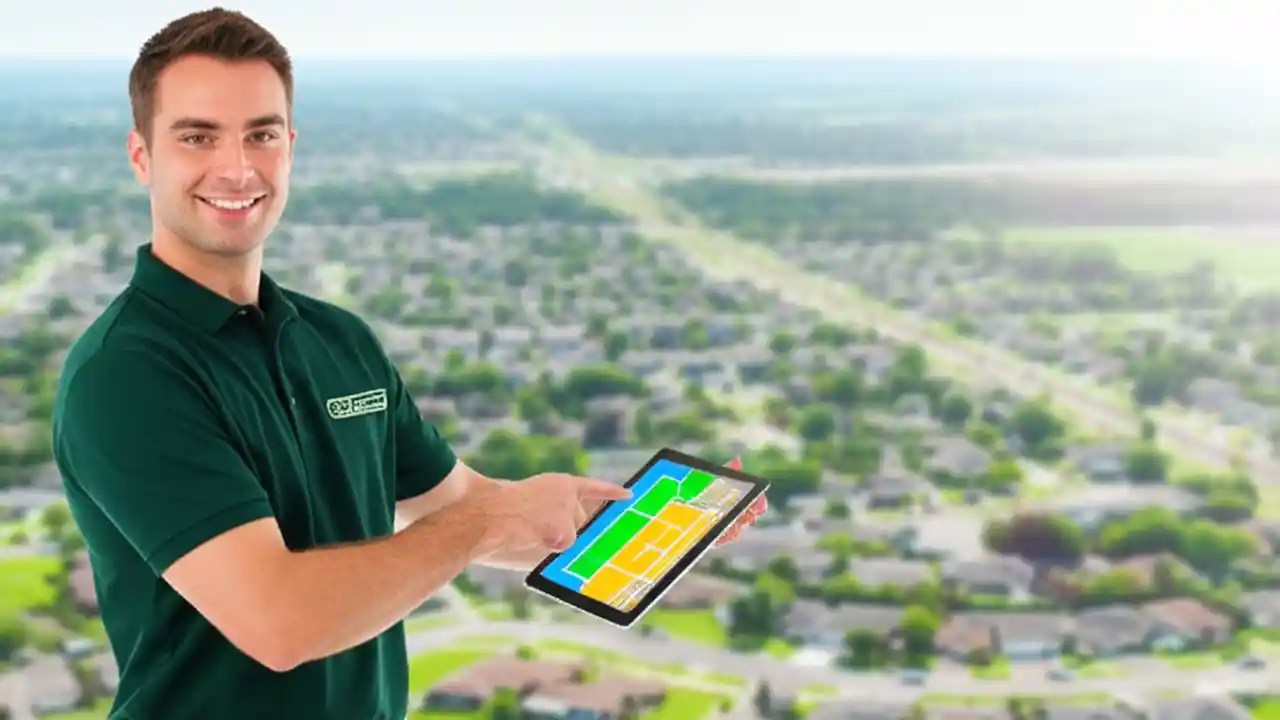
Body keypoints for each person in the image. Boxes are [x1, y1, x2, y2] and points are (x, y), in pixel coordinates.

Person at [49, 7, 767, 720]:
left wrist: (656, 528)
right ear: (142, 156)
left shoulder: (337, 340)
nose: (236, 168)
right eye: (198, 137)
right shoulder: (126, 375)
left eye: (260, 135)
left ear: (290, 147)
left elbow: (463, 506)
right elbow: (280, 622)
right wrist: (483, 527)